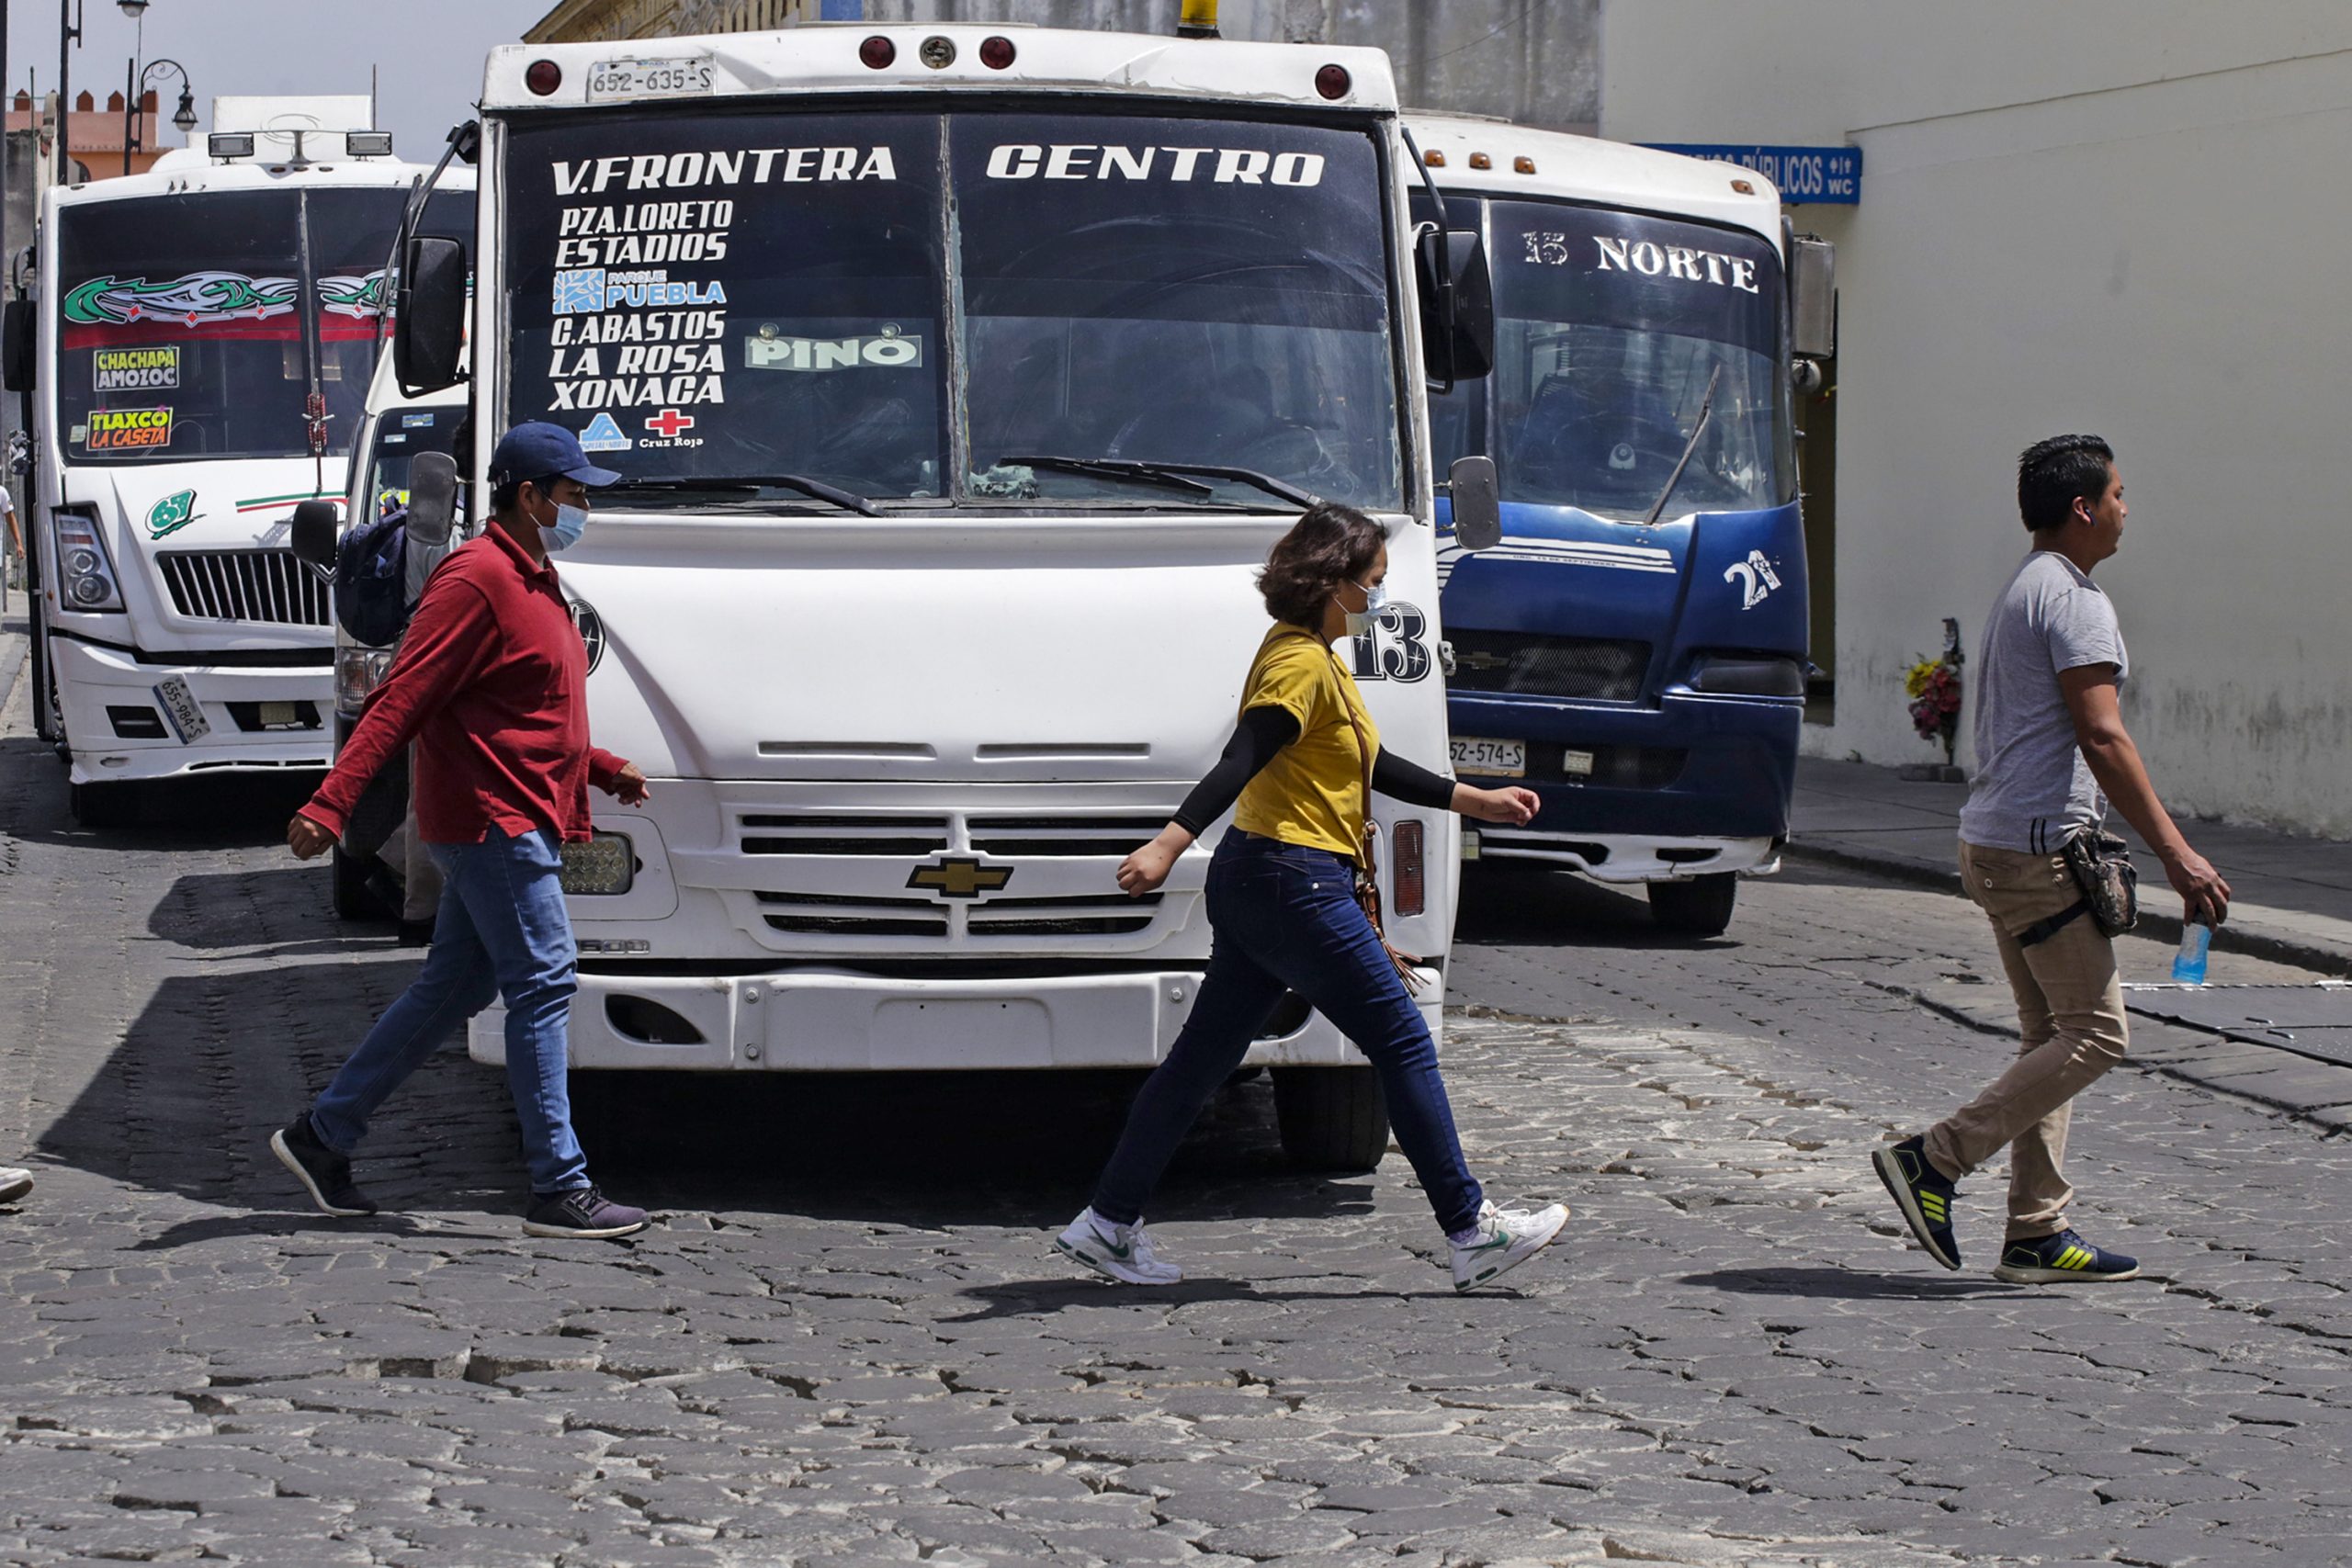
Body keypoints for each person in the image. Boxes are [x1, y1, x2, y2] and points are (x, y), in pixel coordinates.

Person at [1054, 502, 1570, 1293]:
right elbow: (1245, 754)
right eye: (1369, 586)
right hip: (1294, 880)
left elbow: (1371, 761)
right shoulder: (1298, 662)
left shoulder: (1310, 657)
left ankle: (1107, 1223)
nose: (1375, 603)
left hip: (1265, 879)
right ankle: (1472, 1229)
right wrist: (1168, 841)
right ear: (1329, 584)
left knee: (1200, 1062)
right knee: (1400, 1039)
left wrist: (1472, 799)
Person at [271, 422, 651, 1240]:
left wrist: (603, 767)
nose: (585, 505)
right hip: (493, 821)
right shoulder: (475, 579)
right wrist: (331, 803)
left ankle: (323, 1133)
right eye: (576, 492)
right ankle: (559, 1184)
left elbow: (527, 709)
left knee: (452, 989)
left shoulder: (536, 574)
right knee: (546, 982)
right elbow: (401, 697)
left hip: (517, 811)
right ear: (530, 496)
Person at [1873, 434, 2230, 1283]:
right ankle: (1937, 1157)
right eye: (2117, 493)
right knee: (2099, 1033)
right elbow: (2103, 734)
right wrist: (2177, 854)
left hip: (1995, 842)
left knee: (2049, 1033)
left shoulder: (2025, 588)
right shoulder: (2075, 599)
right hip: (2036, 852)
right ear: (2083, 507)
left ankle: (2036, 1232)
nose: (2124, 508)